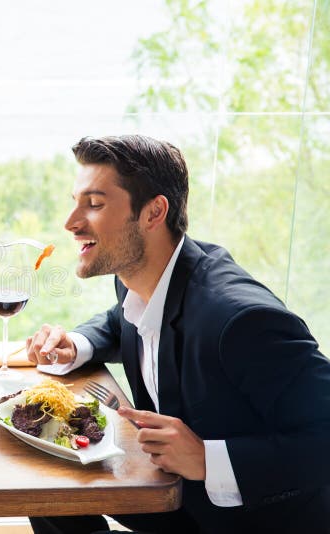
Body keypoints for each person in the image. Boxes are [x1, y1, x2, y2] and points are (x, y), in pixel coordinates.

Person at [24, 135, 330, 534]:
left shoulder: (242, 321)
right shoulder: (141, 277)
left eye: (94, 204)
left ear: (154, 213)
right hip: (177, 501)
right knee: (43, 484)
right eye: (75, 201)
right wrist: (76, 345)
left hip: (246, 520)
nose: (71, 222)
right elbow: (122, 320)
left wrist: (207, 458)